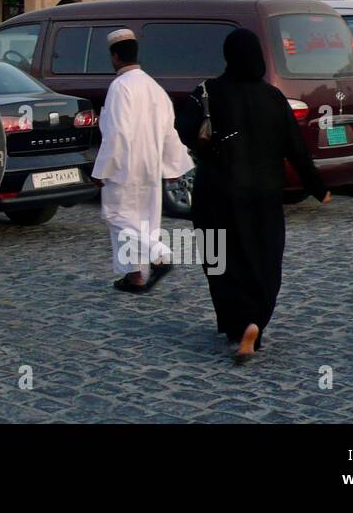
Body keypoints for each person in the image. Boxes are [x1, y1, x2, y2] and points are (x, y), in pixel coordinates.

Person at [177, 27, 329, 363]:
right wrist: (318, 188)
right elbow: (296, 147)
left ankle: (237, 324)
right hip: (263, 196)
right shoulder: (272, 97)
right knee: (263, 259)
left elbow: (184, 129)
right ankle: (254, 322)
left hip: (216, 194)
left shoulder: (207, 91)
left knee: (219, 259)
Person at [92, 28, 194, 293]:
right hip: (149, 165)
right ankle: (135, 276)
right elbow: (169, 131)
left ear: (115, 56)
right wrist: (173, 166)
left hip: (124, 165)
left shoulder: (120, 87)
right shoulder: (154, 87)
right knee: (143, 221)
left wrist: (102, 168)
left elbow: (116, 133)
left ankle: (160, 255)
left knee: (117, 216)